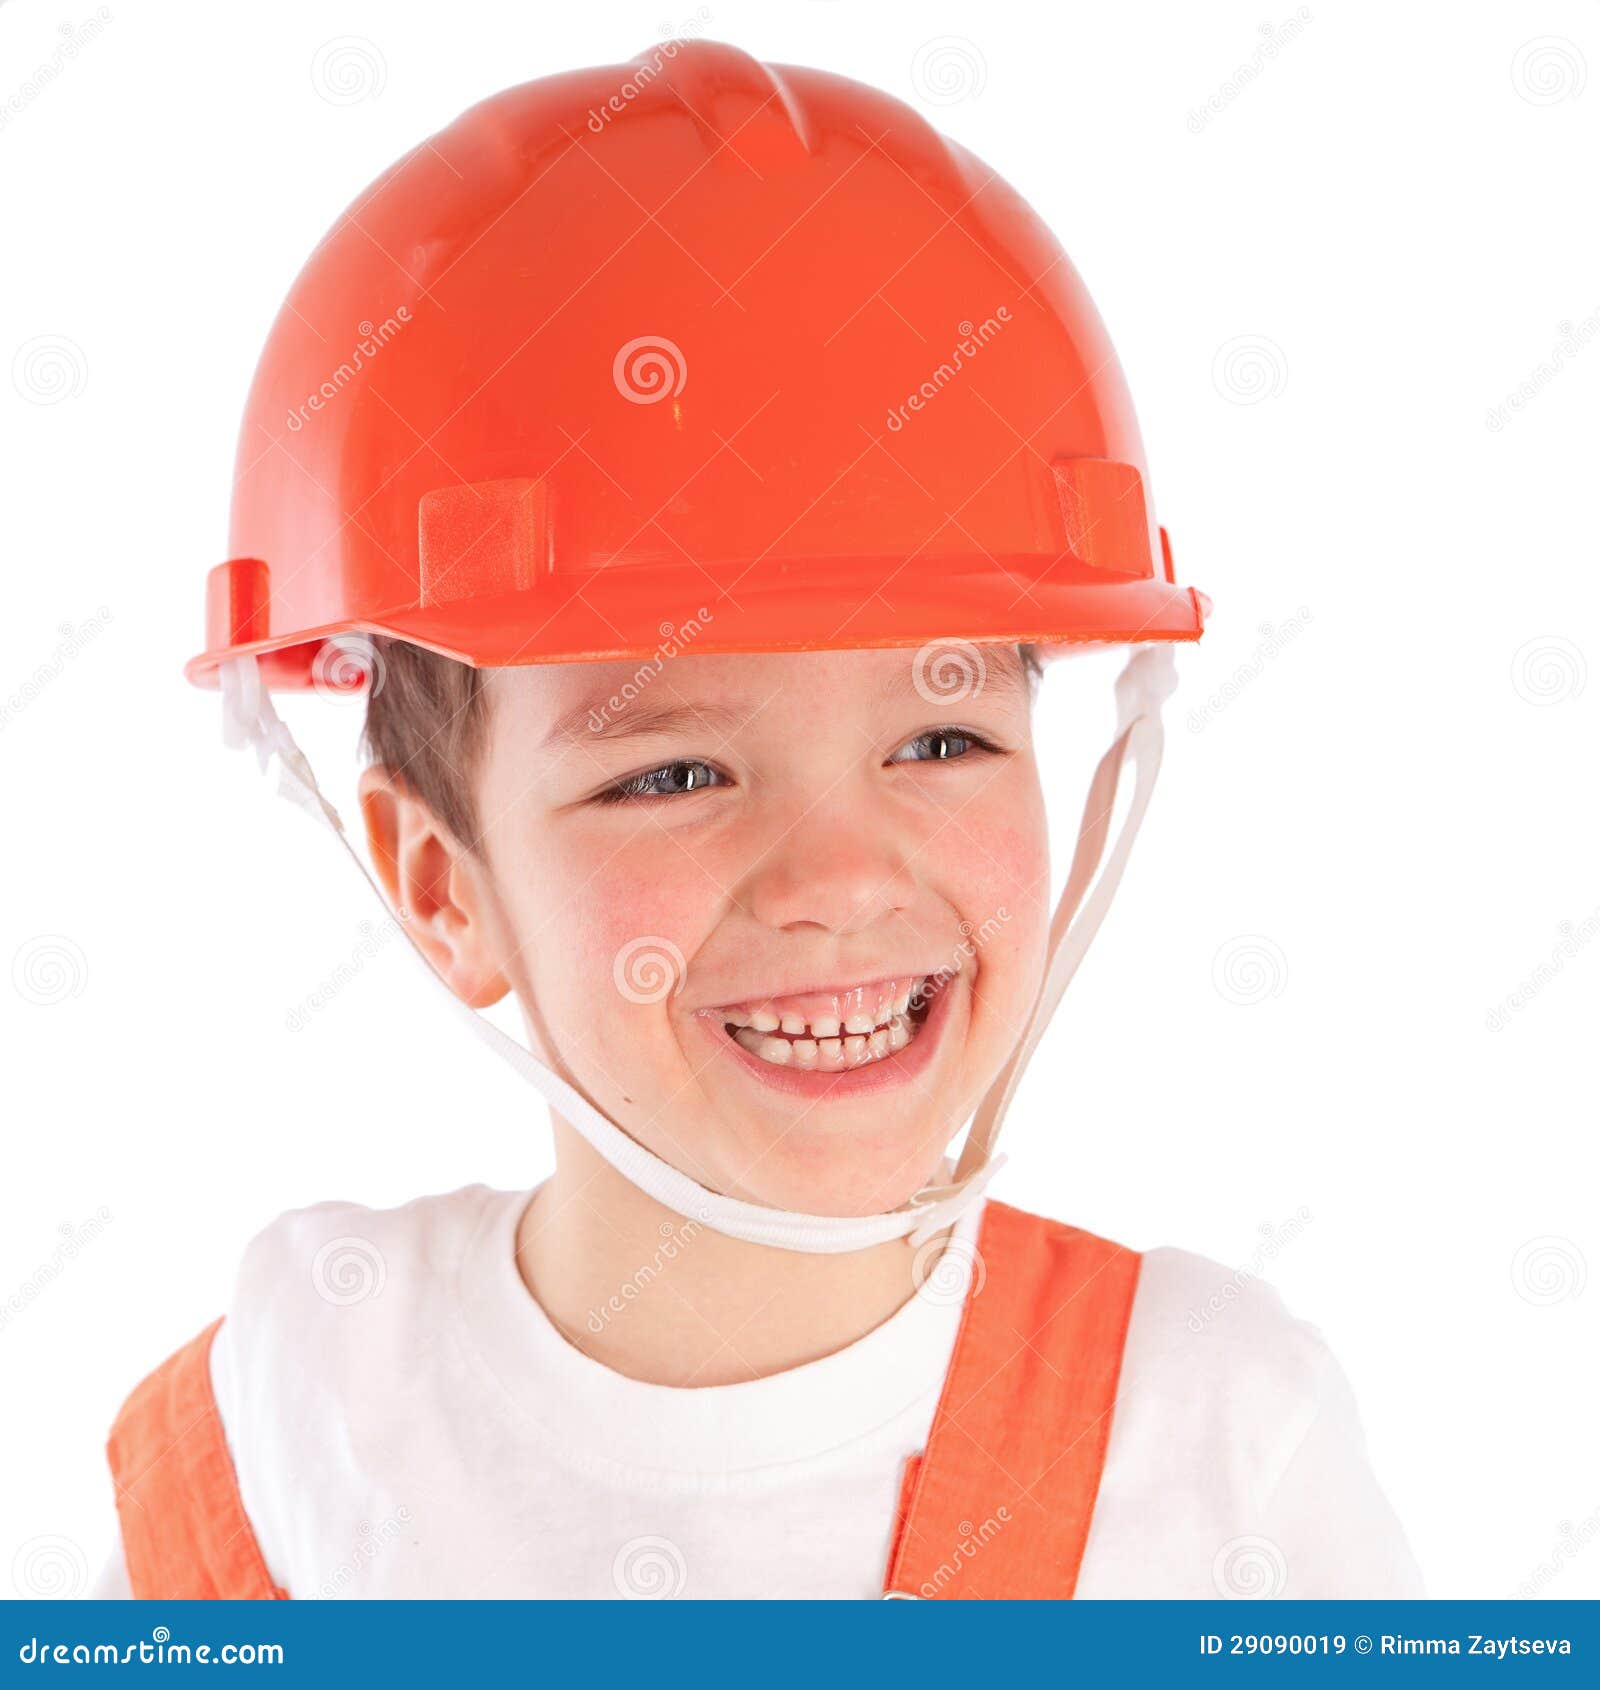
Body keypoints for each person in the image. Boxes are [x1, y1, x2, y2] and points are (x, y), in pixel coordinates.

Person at [92, 38, 1422, 1600]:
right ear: (440, 884)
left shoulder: (1215, 1445)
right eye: (671, 774)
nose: (842, 878)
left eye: (939, 736)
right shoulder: (289, 1429)